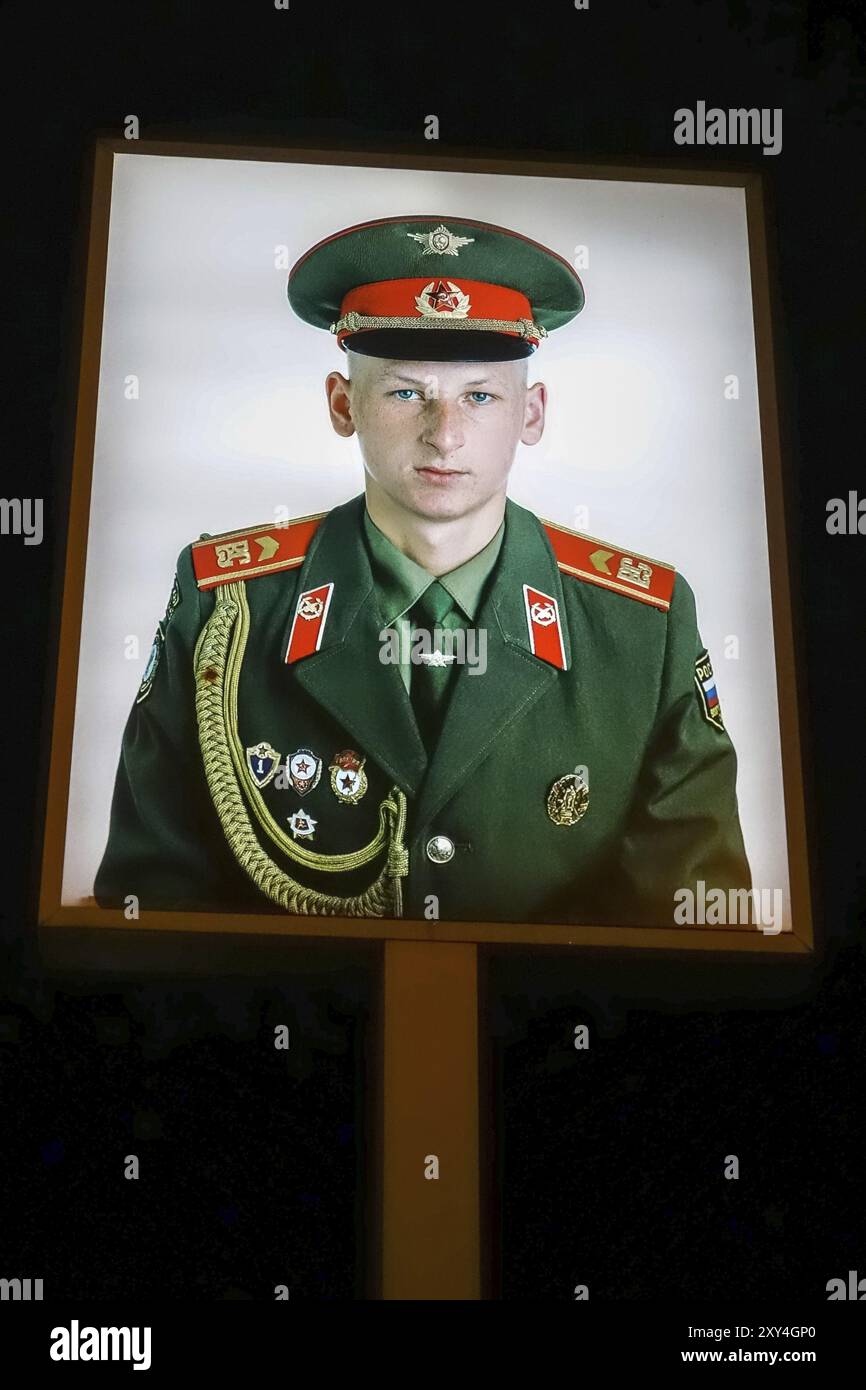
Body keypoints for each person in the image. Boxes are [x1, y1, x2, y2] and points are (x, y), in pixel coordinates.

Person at [94, 214, 751, 924]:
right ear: (343, 405)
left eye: (480, 396)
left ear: (531, 414)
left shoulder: (642, 627)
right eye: (406, 393)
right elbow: (153, 908)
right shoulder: (227, 605)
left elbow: (696, 932)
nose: (445, 435)